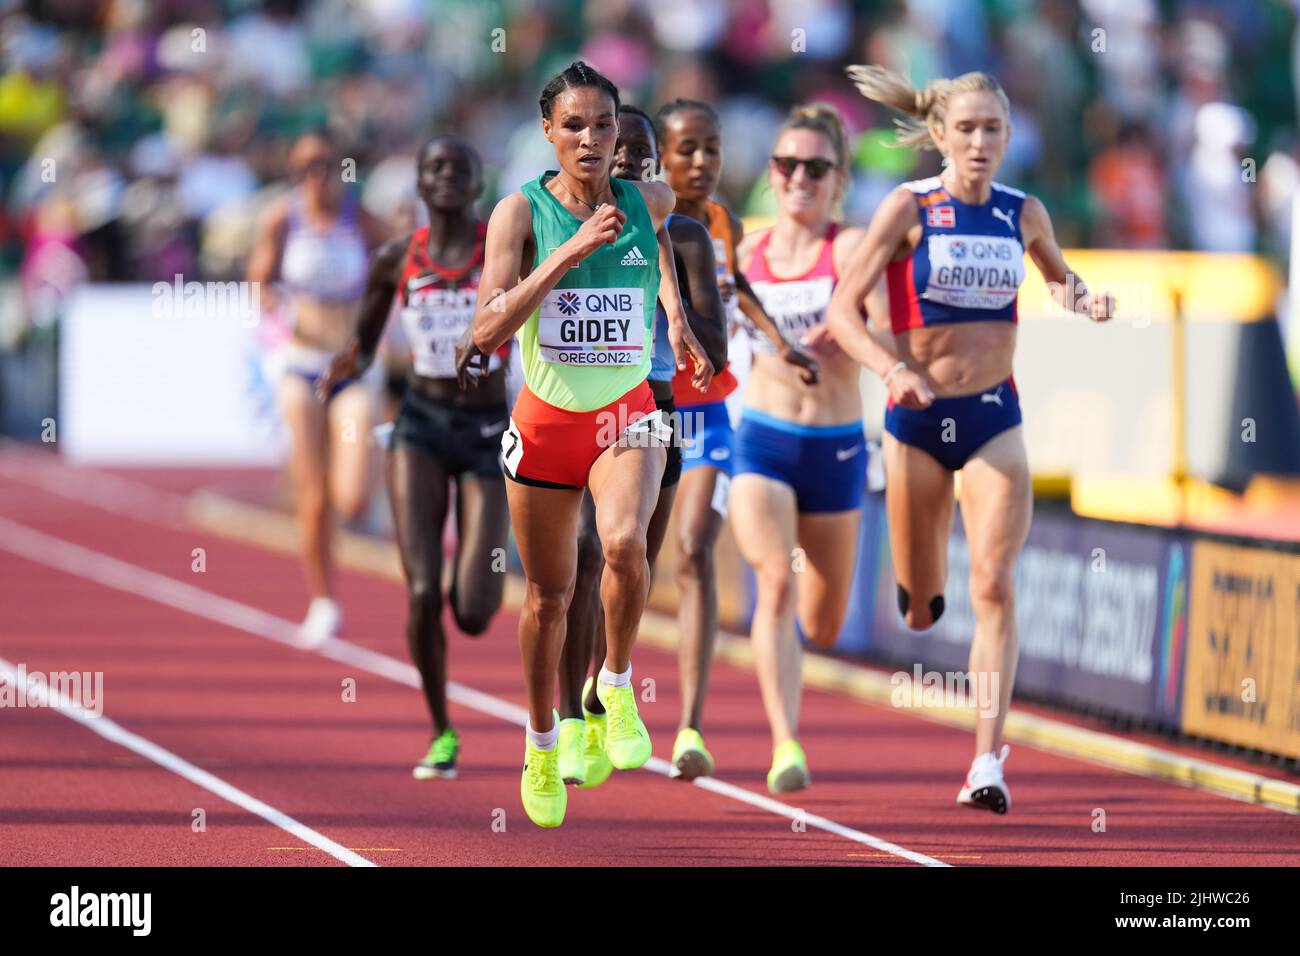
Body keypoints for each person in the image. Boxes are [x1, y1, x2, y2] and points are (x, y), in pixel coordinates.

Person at [829, 65, 1114, 813]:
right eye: (966, 129)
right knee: (924, 607)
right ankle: (918, 594)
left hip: (994, 415)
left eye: (992, 130)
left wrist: (1088, 298)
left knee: (993, 582)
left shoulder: (1024, 213)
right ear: (940, 136)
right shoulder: (908, 207)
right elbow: (843, 311)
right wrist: (891, 370)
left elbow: (1060, 278)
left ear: (1010, 138)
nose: (980, 142)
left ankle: (987, 759)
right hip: (918, 422)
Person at [459, 62, 712, 828]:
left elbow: (659, 238)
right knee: (548, 597)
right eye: (575, 126)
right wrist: (566, 255)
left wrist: (672, 313)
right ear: (548, 132)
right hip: (545, 424)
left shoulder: (649, 199)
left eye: (604, 126)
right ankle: (541, 742)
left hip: (625, 415)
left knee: (628, 546)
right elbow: (485, 330)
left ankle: (617, 682)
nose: (592, 139)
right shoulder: (519, 213)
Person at [318, 136, 509, 781]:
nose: (448, 177)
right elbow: (366, 343)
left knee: (476, 610)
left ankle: (472, 608)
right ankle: (441, 731)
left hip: (488, 428)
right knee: (423, 589)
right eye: (435, 169)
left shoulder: (505, 252)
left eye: (460, 167)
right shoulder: (397, 258)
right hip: (420, 427)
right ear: (420, 187)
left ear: (477, 182)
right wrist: (340, 368)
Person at [555, 104, 728, 790]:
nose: (625, 158)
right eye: (613, 146)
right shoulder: (563, 222)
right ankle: (570, 720)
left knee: (630, 560)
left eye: (638, 151)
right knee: (584, 559)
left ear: (652, 165)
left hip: (653, 407)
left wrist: (674, 305)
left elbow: (712, 346)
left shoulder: (684, 235)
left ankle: (606, 687)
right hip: (576, 406)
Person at [653, 98, 820, 780]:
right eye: (687, 150)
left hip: (709, 416)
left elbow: (740, 287)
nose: (701, 163)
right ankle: (601, 691)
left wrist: (781, 342)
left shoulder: (724, 221)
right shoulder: (639, 223)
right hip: (643, 413)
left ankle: (690, 726)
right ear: (659, 157)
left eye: (712, 149)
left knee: (694, 548)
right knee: (621, 556)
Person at [729, 103, 873, 795]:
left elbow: (891, 330)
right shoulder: (744, 255)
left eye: (816, 167)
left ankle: (792, 708)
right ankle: (786, 743)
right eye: (788, 164)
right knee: (775, 581)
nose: (799, 178)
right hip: (764, 440)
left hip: (838, 451)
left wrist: (854, 334)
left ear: (838, 178)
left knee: (822, 620)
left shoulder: (848, 251)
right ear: (771, 172)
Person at [247, 130, 389, 643]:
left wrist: (378, 322)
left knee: (350, 498)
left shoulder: (361, 218)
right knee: (312, 496)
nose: (315, 176)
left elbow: (395, 268)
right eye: (304, 167)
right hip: (299, 365)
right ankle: (323, 601)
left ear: (340, 167)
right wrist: (278, 315)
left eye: (325, 164)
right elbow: (260, 280)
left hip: (348, 370)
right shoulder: (282, 217)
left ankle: (358, 501)